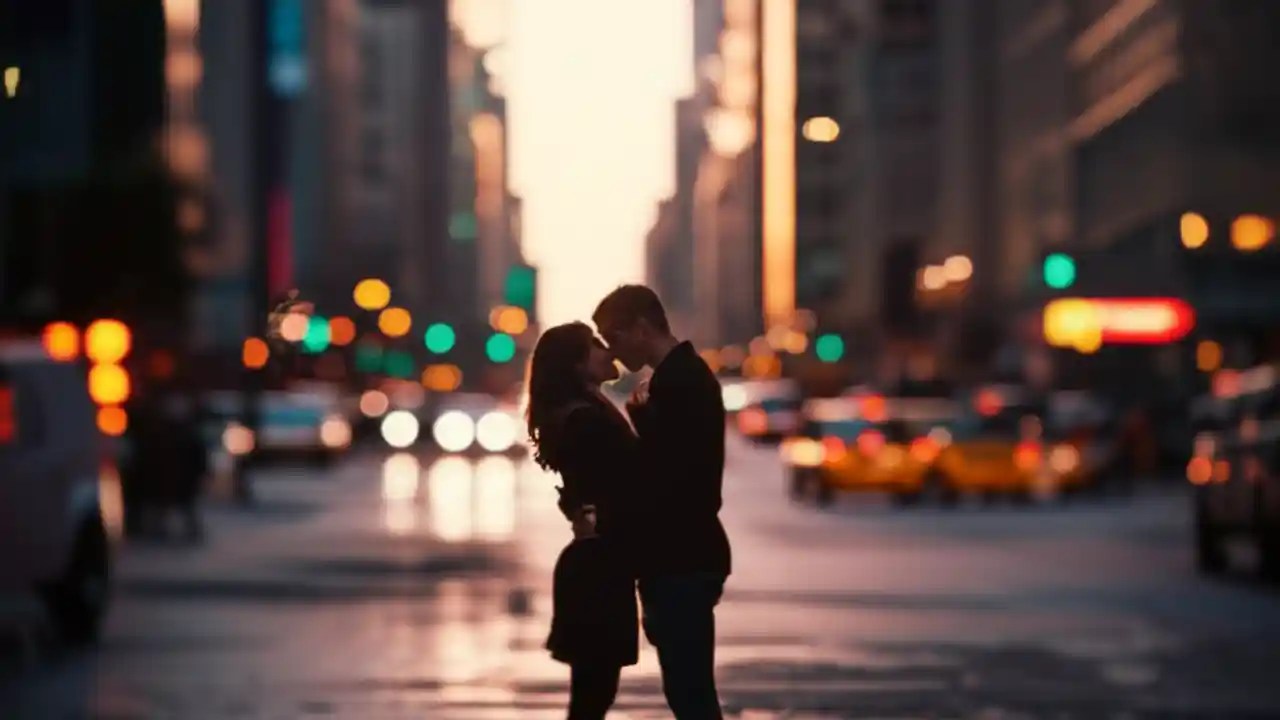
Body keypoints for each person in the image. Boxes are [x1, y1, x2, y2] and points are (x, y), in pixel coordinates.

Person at [593, 285, 731, 719]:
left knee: (691, 696)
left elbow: (676, 479)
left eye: (613, 337)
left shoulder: (680, 381)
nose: (612, 353)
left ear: (641, 327)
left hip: (682, 559)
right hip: (684, 557)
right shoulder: (677, 377)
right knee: (689, 693)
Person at [526, 322, 641, 720]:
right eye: (595, 345)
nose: (607, 349)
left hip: (597, 561)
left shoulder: (586, 410)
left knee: (594, 692)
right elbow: (619, 482)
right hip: (598, 567)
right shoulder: (583, 420)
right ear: (576, 364)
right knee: (594, 693)